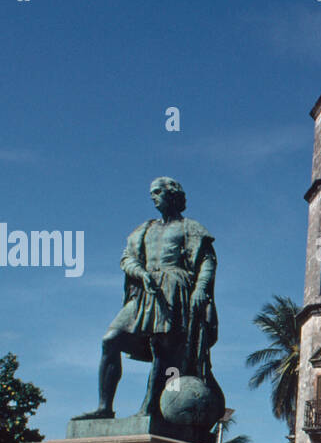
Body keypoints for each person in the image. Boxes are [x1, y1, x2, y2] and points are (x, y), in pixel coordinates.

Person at [74, 176, 219, 420]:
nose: (152, 197)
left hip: (175, 292)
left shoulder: (190, 228)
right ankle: (104, 407)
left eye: (157, 192)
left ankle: (150, 409)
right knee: (110, 340)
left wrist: (201, 289)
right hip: (146, 292)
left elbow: (207, 261)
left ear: (171, 195)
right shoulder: (145, 229)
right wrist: (140, 273)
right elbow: (127, 258)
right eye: (152, 193)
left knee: (164, 351)